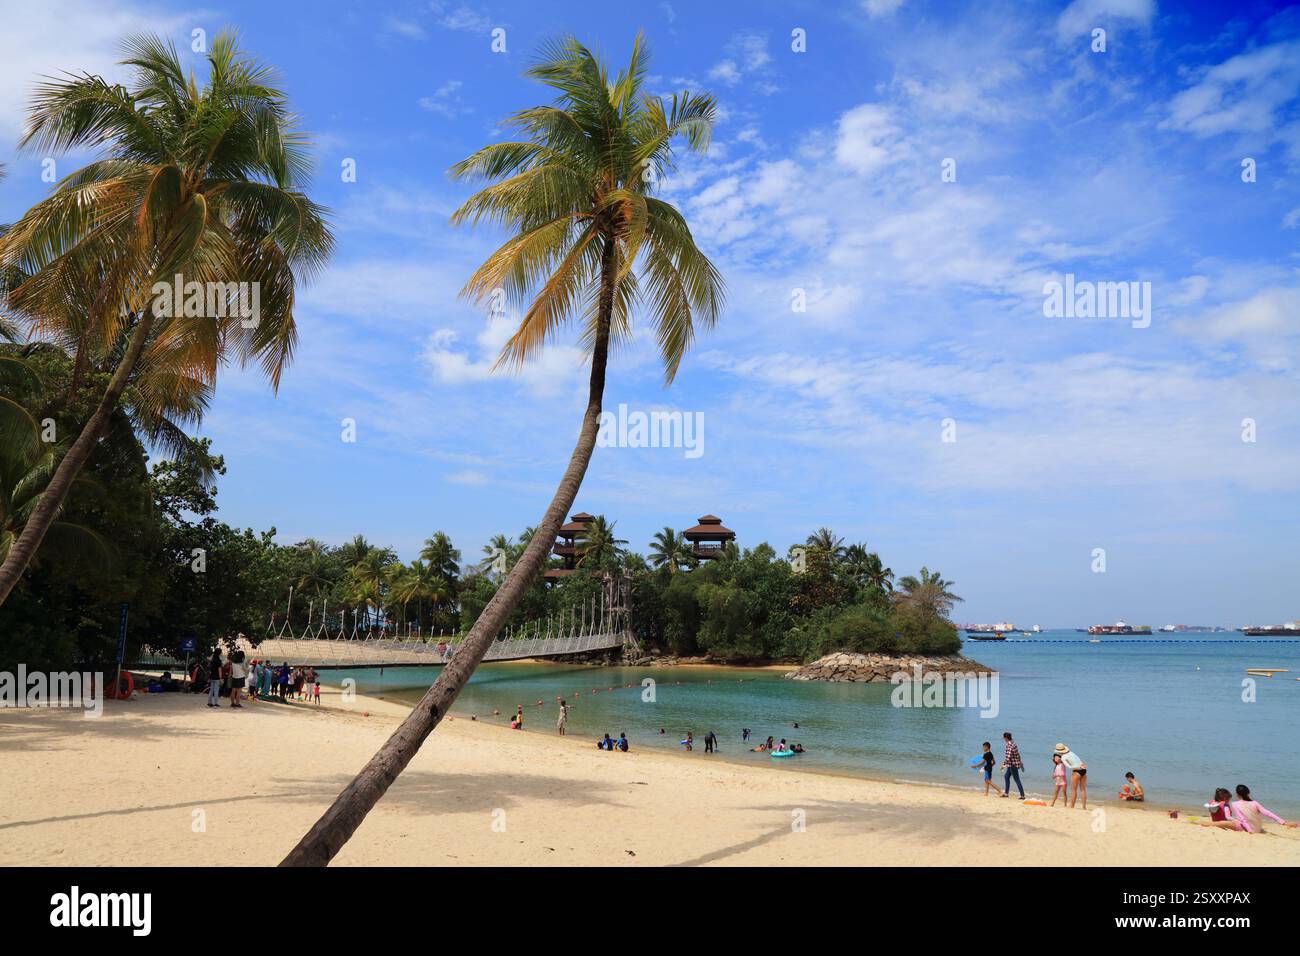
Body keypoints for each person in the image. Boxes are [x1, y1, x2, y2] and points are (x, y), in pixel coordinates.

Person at [1054, 743, 1086, 808]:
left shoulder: (1063, 757)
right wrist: (1081, 766)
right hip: (1084, 770)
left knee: (1074, 790)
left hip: (1077, 771)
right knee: (1083, 789)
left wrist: (1078, 766)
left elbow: (1070, 767)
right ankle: (1084, 807)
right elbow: (1079, 760)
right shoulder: (1071, 753)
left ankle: (1072, 806)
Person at [1001, 731, 1025, 799]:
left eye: (1004, 738)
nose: (1003, 739)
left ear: (1006, 738)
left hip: (1012, 764)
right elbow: (1018, 754)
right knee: (1006, 776)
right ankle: (1006, 793)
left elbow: (1008, 757)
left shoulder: (1009, 744)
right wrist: (1020, 761)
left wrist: (1003, 765)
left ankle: (1022, 795)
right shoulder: (1013, 743)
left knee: (1017, 779)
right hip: (1012, 764)